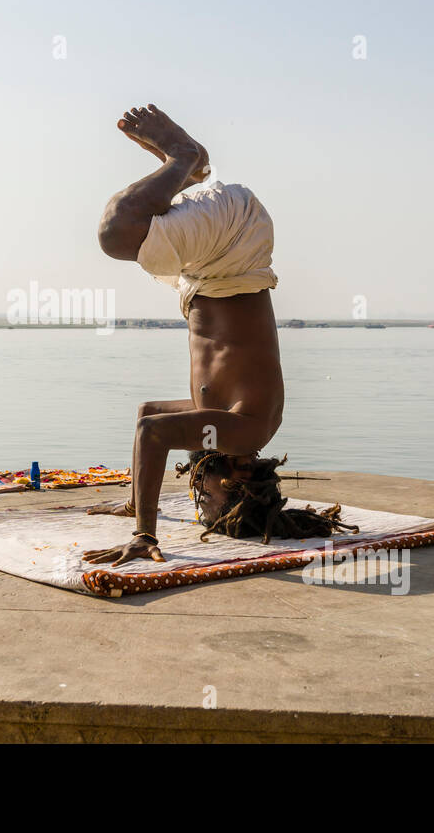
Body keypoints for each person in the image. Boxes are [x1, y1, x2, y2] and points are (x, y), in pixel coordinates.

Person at [81, 104, 288, 568]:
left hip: (219, 264)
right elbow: (156, 435)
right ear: (235, 483)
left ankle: (190, 169)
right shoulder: (242, 435)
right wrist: (144, 535)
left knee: (148, 413)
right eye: (212, 504)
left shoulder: (230, 425)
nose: (201, 503)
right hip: (232, 249)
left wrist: (138, 503)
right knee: (117, 233)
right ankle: (183, 156)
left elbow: (149, 418)